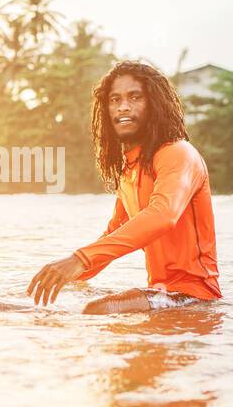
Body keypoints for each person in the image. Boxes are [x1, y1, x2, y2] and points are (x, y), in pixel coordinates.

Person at [26, 60, 221, 313]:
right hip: (161, 293)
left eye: (135, 97)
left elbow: (163, 215)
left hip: (196, 297)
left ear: (154, 104)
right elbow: (115, 232)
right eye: (115, 100)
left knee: (99, 309)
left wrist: (80, 258)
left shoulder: (178, 154)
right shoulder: (130, 169)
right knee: (83, 301)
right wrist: (67, 275)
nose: (123, 107)